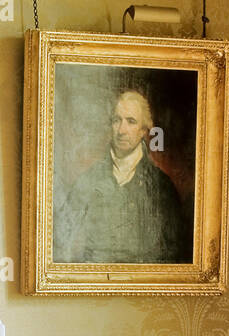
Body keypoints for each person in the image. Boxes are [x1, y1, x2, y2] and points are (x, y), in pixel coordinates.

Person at [53, 89, 189, 264]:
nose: (122, 130)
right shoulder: (87, 180)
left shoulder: (161, 186)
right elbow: (63, 239)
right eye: (117, 120)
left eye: (131, 121)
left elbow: (175, 251)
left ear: (143, 130)